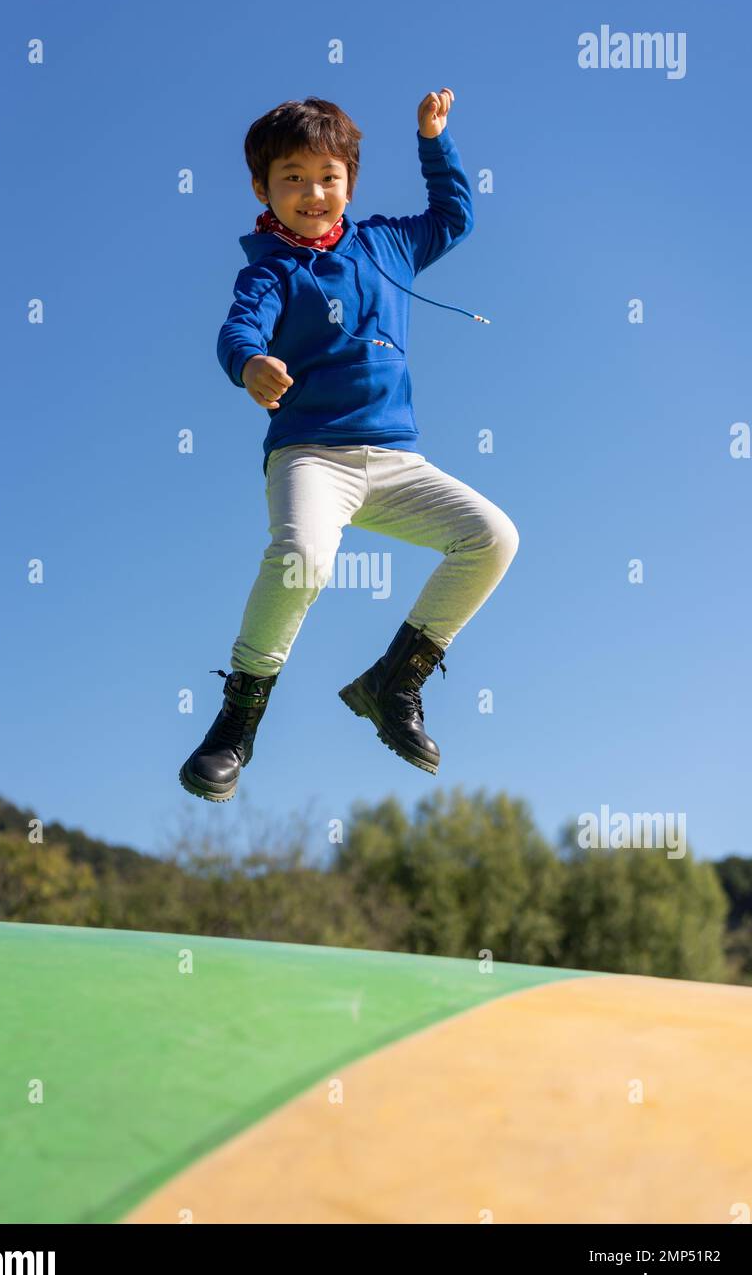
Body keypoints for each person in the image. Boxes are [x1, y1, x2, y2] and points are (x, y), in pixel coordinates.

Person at [180, 89, 519, 802]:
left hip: (395, 460)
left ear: (350, 184)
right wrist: (250, 365)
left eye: (328, 177)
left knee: (492, 537)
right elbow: (237, 328)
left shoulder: (387, 243)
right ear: (262, 189)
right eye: (292, 178)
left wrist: (433, 140)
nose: (312, 192)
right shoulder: (271, 269)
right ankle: (236, 722)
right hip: (311, 455)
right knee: (303, 562)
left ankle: (392, 682)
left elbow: (453, 217)